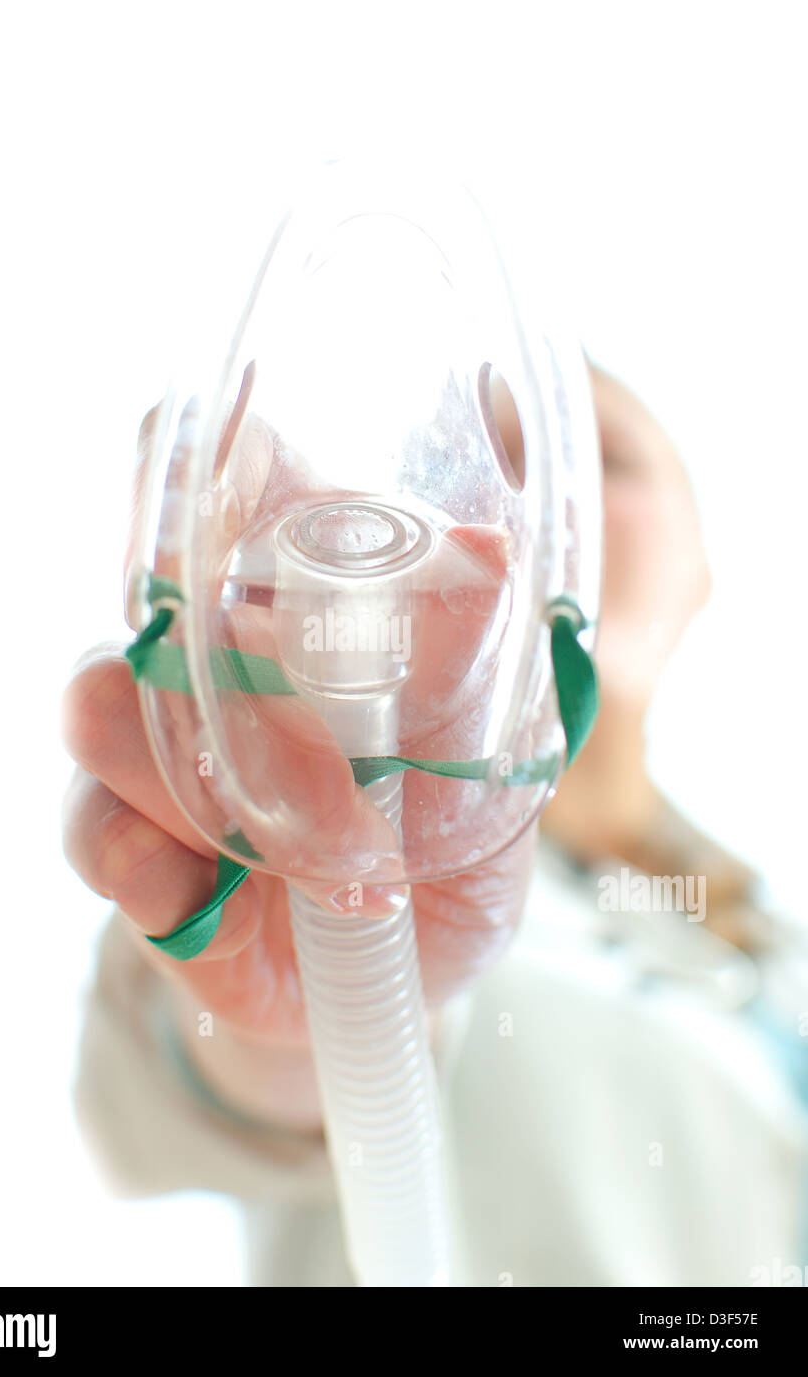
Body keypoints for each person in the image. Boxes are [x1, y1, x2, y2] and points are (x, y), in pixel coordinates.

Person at [62, 369, 808, 1286]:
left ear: (699, 571)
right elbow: (198, 1094)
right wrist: (317, 1007)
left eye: (600, 461)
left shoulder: (770, 945)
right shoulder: (295, 828)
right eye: (487, 467)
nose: (540, 505)